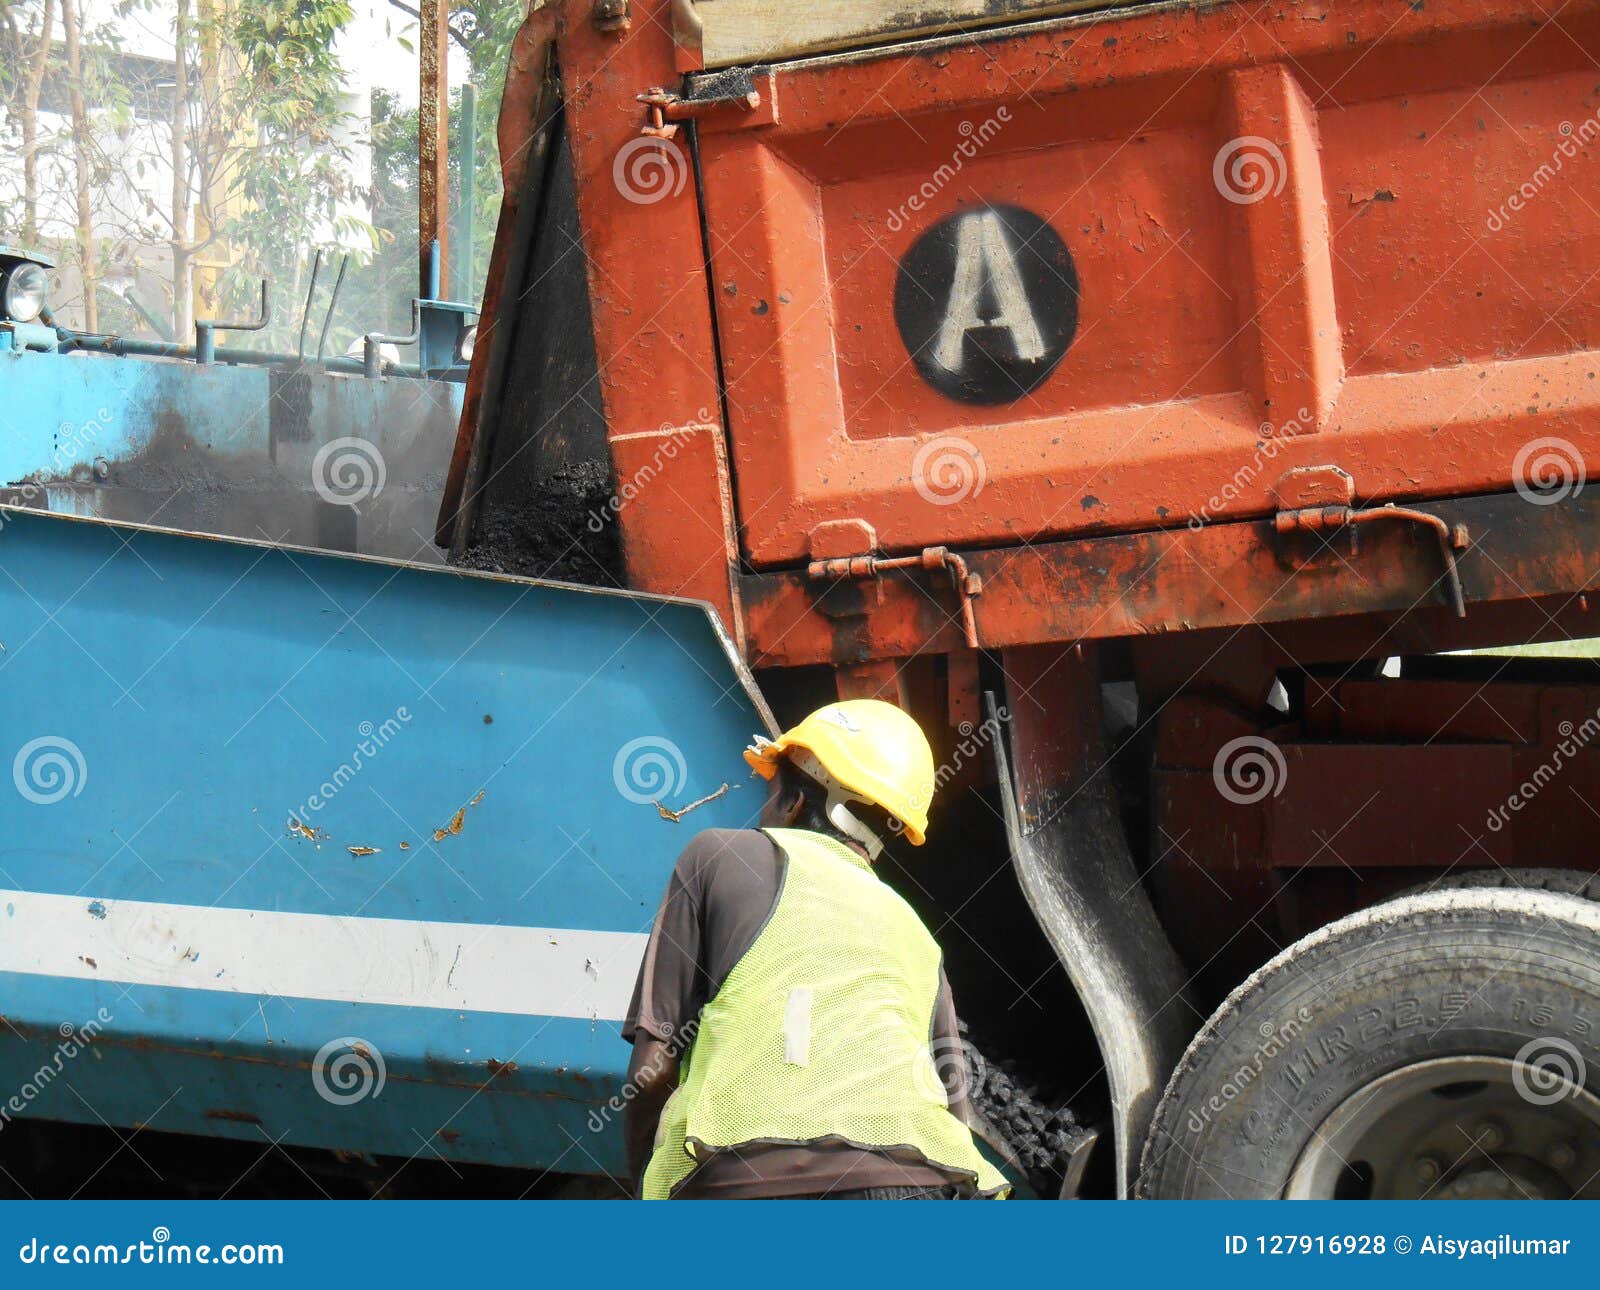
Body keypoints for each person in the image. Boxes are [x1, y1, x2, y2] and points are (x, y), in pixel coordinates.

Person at [622, 699, 1009, 1199]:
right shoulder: (918, 936)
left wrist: (644, 1187)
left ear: (794, 803)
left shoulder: (719, 855)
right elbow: (953, 1113)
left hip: (749, 1181)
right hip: (918, 1188)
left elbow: (653, 1071)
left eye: (769, 796)